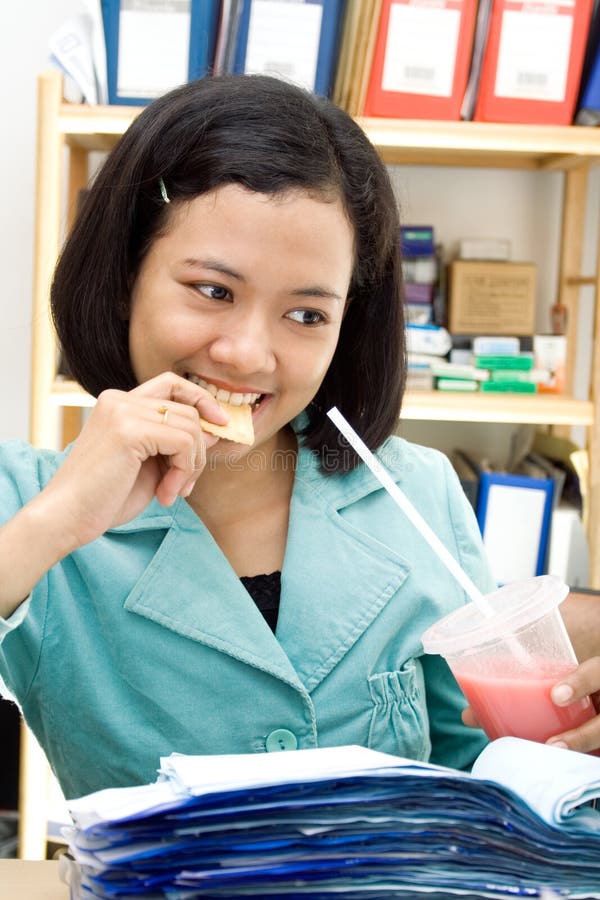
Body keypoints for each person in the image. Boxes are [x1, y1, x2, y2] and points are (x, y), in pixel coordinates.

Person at [0, 74, 598, 801]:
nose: (249, 354)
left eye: (307, 315)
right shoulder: (27, 503)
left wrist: (567, 749)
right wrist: (55, 524)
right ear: (127, 279)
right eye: (213, 291)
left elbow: (481, 770)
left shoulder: (415, 491)